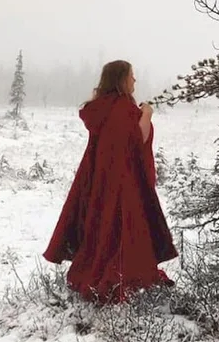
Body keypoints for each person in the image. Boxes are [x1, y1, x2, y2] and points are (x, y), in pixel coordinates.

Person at [44, 59, 176, 303]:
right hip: (122, 181)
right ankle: (123, 275)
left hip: (100, 178)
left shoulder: (102, 107)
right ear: (121, 79)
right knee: (122, 228)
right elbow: (137, 139)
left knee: (102, 225)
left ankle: (107, 269)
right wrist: (146, 113)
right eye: (132, 75)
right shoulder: (121, 108)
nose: (135, 80)